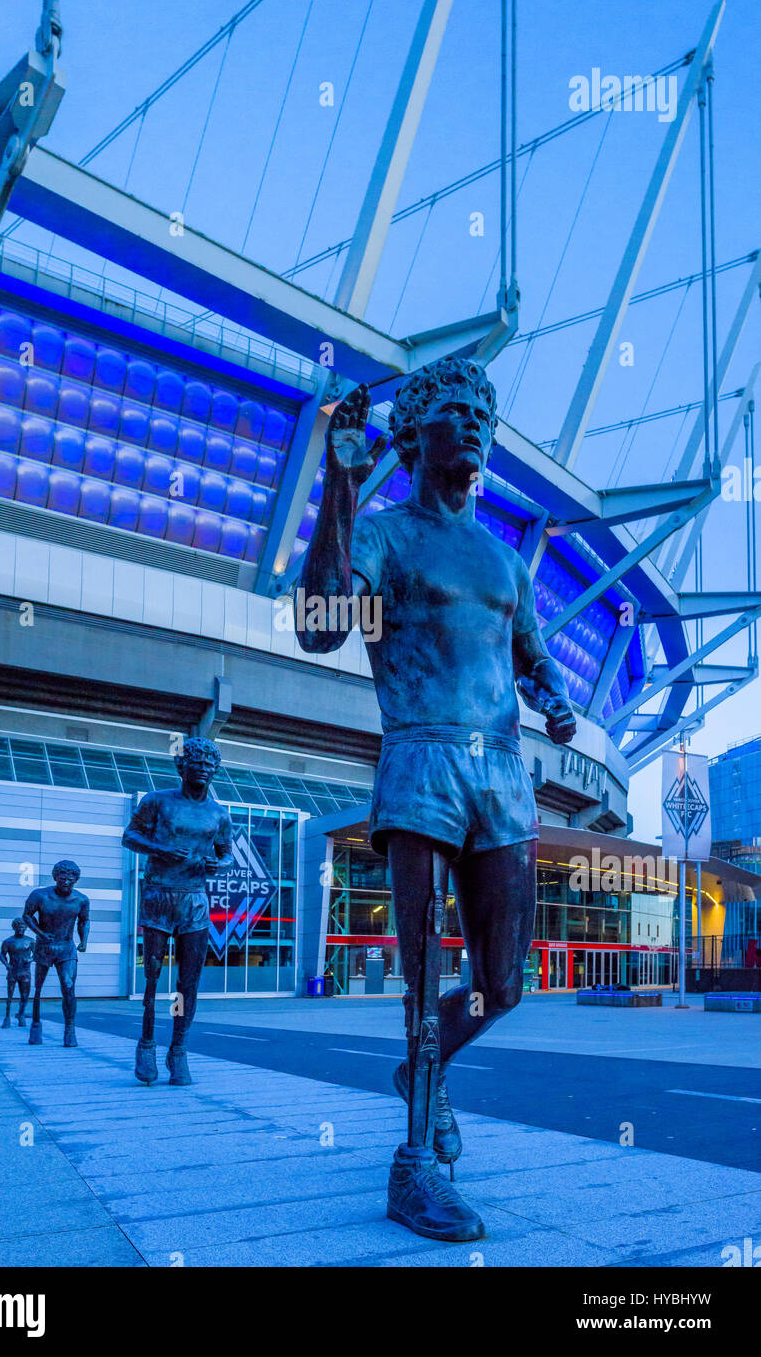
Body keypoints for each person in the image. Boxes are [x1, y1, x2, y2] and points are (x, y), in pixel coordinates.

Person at [296, 355, 576, 1241]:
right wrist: (340, 483)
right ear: (412, 435)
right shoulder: (384, 536)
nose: (474, 427)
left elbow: (527, 652)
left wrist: (557, 698)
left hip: (503, 777)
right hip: (421, 764)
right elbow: (318, 624)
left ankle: (423, 1069)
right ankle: (411, 1167)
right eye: (455, 411)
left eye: (482, 416)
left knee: (502, 985)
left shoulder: (503, 558)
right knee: (421, 986)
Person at [122, 736, 232, 1086]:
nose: (202, 770)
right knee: (152, 978)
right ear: (181, 766)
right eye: (195, 764)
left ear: (215, 771)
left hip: (194, 899)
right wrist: (160, 849)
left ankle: (178, 1050)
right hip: (158, 895)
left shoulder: (219, 813)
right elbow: (129, 836)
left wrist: (220, 865)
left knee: (188, 983)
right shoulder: (156, 801)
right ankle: (147, 1045)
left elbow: (227, 853)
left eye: (208, 766)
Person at [22, 859, 90, 1048]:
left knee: (68, 986)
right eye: (62, 875)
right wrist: (41, 933)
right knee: (38, 988)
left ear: (76, 879)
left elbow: (84, 921)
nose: (66, 879)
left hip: (67, 947)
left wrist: (84, 941)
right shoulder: (39, 895)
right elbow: (27, 915)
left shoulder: (82, 899)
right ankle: (36, 1024)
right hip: (44, 947)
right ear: (55, 876)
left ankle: (70, 1029)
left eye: (71, 876)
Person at [0, 917, 34, 1027]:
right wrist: (7, 964)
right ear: (14, 928)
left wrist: (30, 959)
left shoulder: (30, 941)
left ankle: (21, 1015)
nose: (21, 929)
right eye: (18, 927)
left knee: (24, 996)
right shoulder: (8, 941)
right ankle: (7, 1017)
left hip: (25, 972)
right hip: (13, 971)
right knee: (10, 996)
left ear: (26, 928)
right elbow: (2, 955)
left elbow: (38, 954)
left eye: (23, 927)